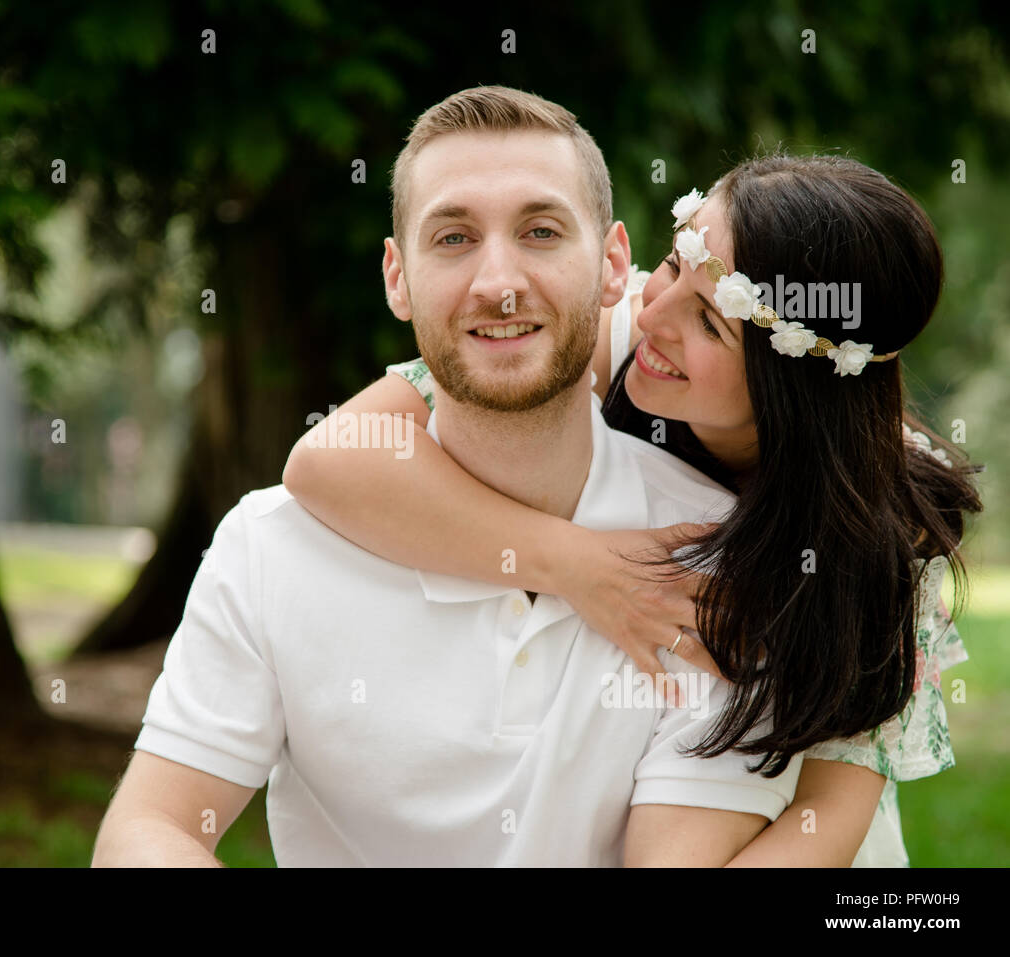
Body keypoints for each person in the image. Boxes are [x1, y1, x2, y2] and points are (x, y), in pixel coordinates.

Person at [93, 85, 811, 868]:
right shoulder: (270, 548)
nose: (498, 282)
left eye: (540, 231)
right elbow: (150, 830)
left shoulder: (721, 563)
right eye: (454, 238)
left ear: (613, 267)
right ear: (397, 279)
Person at [281, 142, 982, 865]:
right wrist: (584, 566)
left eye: (711, 322)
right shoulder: (612, 337)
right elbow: (333, 457)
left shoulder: (875, 533)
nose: (654, 313)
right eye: (675, 263)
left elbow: (831, 807)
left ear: (792, 386)